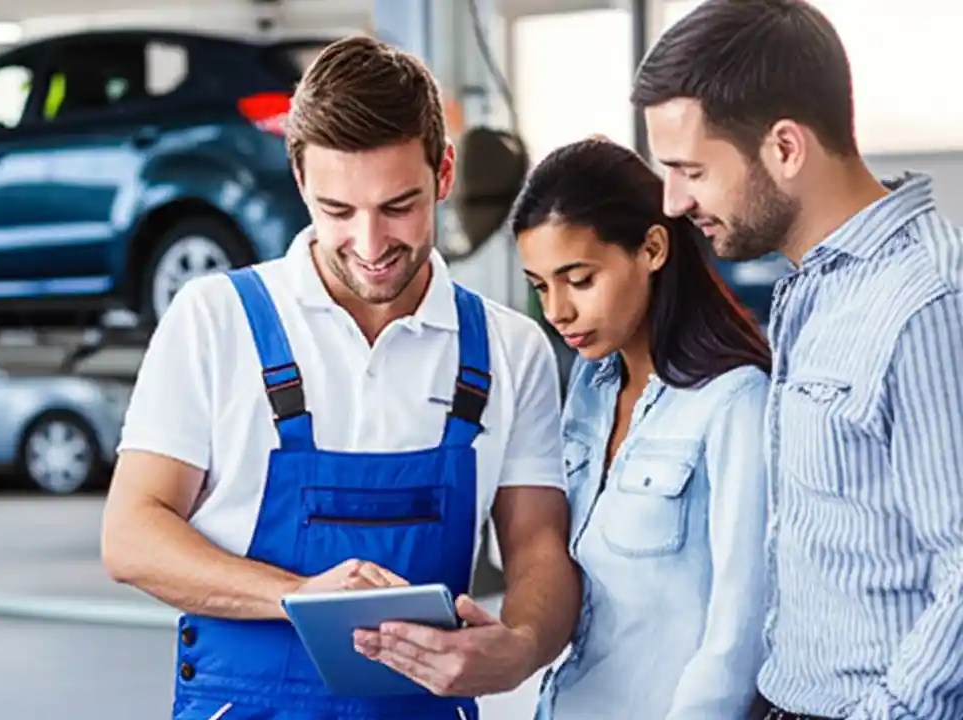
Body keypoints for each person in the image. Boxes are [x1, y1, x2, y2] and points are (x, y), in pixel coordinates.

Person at [100, 35, 581, 720]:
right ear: (300, 182)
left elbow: (537, 544)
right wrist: (299, 594)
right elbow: (131, 537)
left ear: (443, 174)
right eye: (337, 211)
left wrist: (523, 646)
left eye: (398, 207)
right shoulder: (214, 320)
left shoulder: (510, 349)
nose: (370, 242)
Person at [633, 2, 963, 719]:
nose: (674, 199)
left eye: (691, 169)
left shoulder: (925, 304)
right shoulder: (813, 288)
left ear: (785, 147)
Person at [510, 137, 772, 720]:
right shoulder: (591, 384)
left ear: (653, 247)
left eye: (579, 279)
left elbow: (739, 637)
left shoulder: (735, 401)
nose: (557, 312)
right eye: (541, 285)